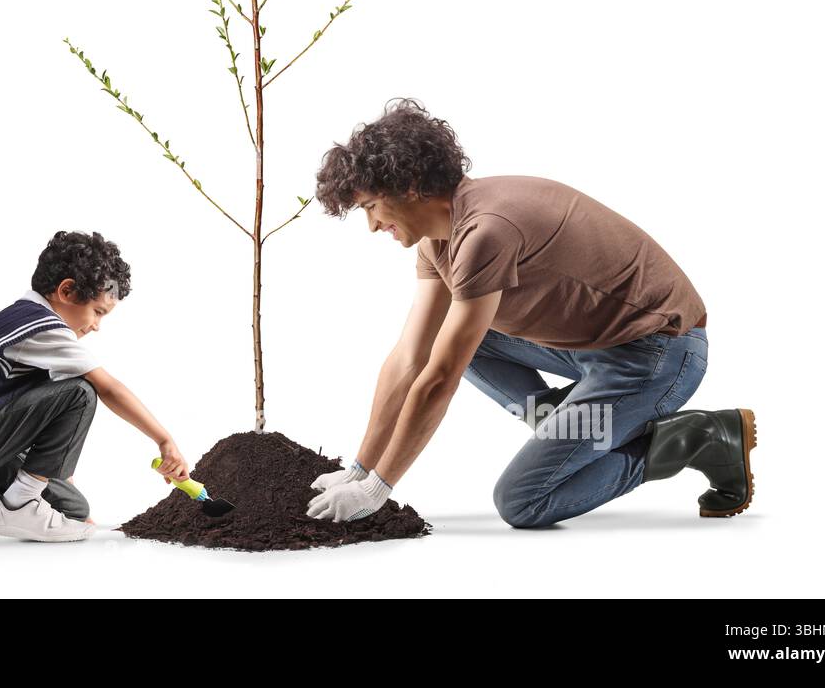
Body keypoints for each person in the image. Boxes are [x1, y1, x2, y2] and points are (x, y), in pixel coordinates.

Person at [305, 99, 756, 528]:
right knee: (458, 335)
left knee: (523, 500)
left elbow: (441, 376)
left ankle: (699, 438)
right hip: (589, 345)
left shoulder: (486, 232)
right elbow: (410, 356)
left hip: (658, 353)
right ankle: (578, 423)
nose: (370, 225)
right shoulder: (436, 242)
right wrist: (359, 470)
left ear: (409, 186)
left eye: (369, 206)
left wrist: (378, 489)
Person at [0, 230, 190, 542]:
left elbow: (34, 409)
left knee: (74, 510)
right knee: (81, 392)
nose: (96, 326)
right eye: (97, 312)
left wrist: (59, 467)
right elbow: (108, 388)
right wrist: (164, 441)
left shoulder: (20, 317)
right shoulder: (43, 328)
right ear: (67, 291)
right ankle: (19, 505)